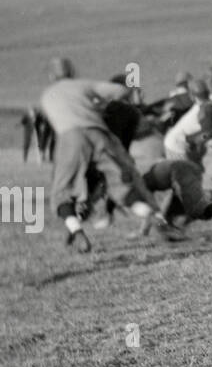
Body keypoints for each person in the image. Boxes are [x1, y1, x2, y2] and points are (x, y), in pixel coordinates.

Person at [38, 56, 183, 251]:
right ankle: (150, 215)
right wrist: (99, 103)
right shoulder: (83, 86)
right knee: (122, 187)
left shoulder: (48, 96)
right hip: (100, 136)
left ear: (50, 75)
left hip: (70, 138)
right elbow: (120, 90)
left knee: (61, 191)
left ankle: (77, 232)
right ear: (72, 72)